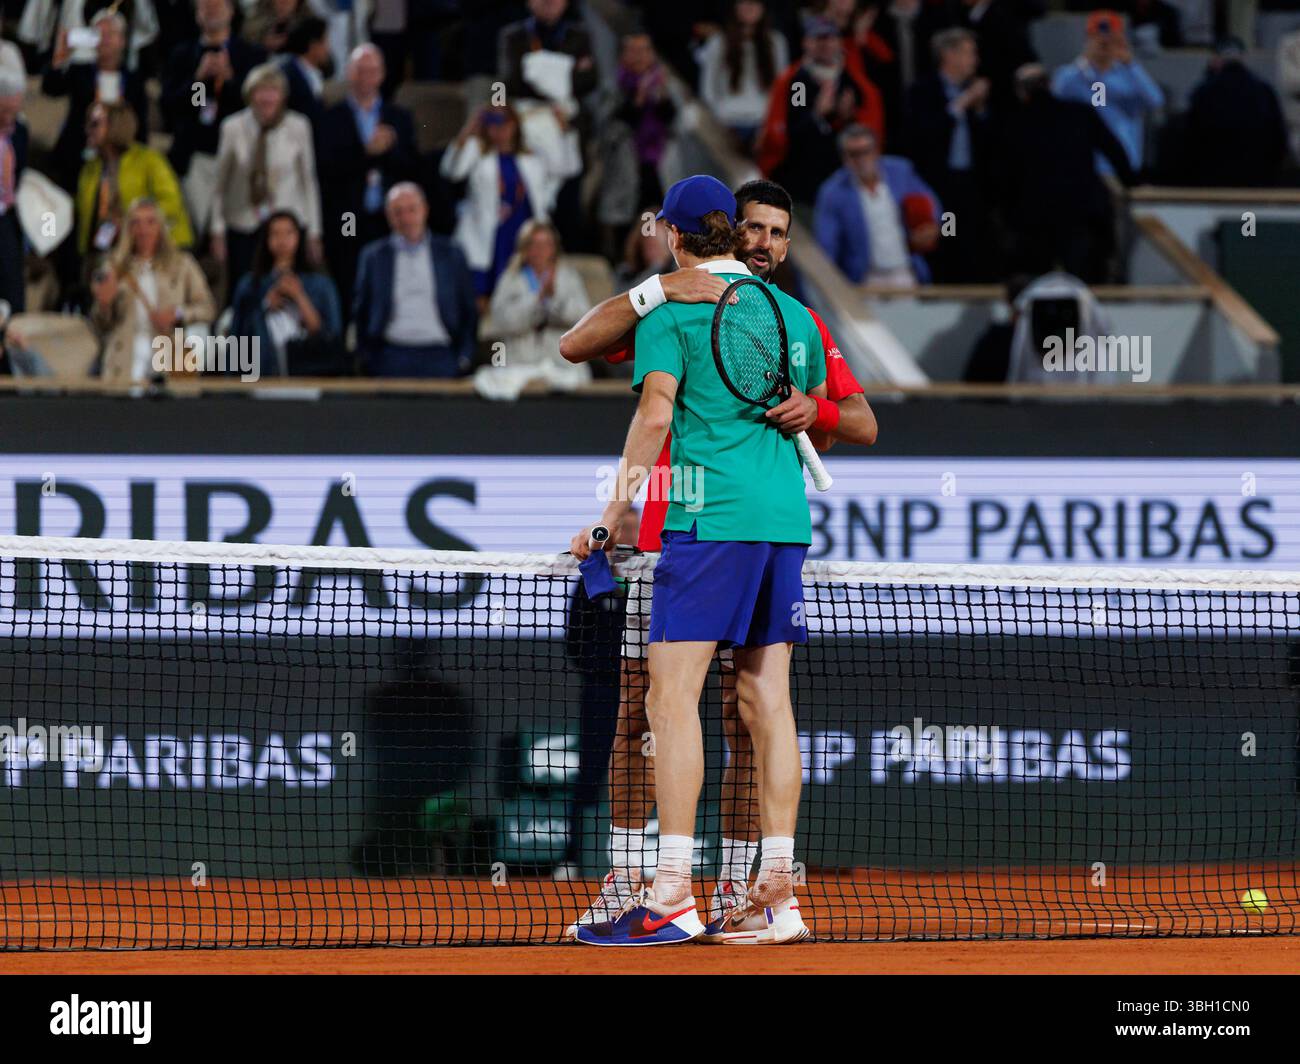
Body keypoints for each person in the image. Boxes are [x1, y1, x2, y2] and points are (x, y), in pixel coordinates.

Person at [559, 177, 877, 944]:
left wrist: (615, 510)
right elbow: (825, 433)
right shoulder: (791, 315)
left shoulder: (676, 310)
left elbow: (652, 407)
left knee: (668, 701)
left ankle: (669, 892)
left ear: (671, 231)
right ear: (733, 232)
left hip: (708, 521)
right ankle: (776, 895)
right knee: (769, 702)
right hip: (784, 525)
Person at [1001, 63, 1133, 283]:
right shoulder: (1080, 113)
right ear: (1050, 85)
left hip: (1034, 219)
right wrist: (1131, 182)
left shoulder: (1013, 122)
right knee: (1085, 282)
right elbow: (1115, 151)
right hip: (1082, 214)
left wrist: (1008, 213)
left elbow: (1004, 175)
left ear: (1021, 92)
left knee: (1037, 285)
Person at [317, 43, 417, 322]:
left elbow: (412, 168)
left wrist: (391, 148)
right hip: (347, 216)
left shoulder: (400, 118)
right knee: (350, 284)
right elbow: (327, 169)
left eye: (372, 71)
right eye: (360, 70)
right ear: (349, 73)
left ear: (382, 75)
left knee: (389, 282)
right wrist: (367, 154)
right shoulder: (330, 118)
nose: (366, 77)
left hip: (387, 218)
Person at [210, 61, 323, 294]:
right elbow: (219, 184)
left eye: (273, 91)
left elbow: (308, 181)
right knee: (244, 290)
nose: (267, 98)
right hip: (243, 223)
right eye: (261, 91)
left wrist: (314, 231)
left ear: (282, 96)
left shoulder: (298, 126)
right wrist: (217, 230)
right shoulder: (232, 127)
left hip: (287, 225)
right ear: (250, 95)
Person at [441, 104, 570, 300]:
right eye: (493, 124)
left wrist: (561, 131)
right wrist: (468, 131)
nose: (499, 130)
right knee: (481, 297)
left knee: (525, 295)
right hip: (487, 234)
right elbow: (451, 170)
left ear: (515, 125)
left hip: (522, 234)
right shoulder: (477, 151)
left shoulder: (531, 156)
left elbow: (565, 169)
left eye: (505, 124)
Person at [161, 0, 266, 236]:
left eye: (218, 5)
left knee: (236, 233)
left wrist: (229, 80)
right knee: (199, 231)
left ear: (231, 11)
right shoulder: (182, 55)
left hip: (240, 157)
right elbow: (169, 106)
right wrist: (198, 80)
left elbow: (259, 109)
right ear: (197, 15)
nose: (212, 9)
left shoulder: (251, 55)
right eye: (205, 6)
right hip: (197, 158)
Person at [353, 182, 478, 378]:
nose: (406, 218)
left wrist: (464, 358)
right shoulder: (373, 256)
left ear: (425, 210)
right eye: (398, 212)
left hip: (441, 352)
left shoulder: (452, 253)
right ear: (388, 215)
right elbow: (361, 311)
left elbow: (469, 310)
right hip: (390, 354)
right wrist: (366, 357)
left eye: (412, 209)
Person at [757, 13, 885, 203]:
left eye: (831, 38)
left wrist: (848, 117)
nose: (825, 44)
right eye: (819, 38)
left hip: (844, 175)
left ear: (839, 43)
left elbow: (869, 129)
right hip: (802, 178)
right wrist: (817, 114)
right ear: (806, 43)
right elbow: (791, 132)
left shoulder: (853, 82)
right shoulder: (798, 83)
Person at [89, 197, 217, 385]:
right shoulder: (113, 268)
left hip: (170, 353)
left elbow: (207, 307)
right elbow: (100, 325)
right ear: (128, 229)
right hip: (127, 355)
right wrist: (104, 305)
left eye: (150, 222)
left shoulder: (182, 264)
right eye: (136, 223)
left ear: (160, 227)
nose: (143, 230)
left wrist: (178, 313)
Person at [902, 27, 993, 282]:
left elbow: (989, 141)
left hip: (971, 180)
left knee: (971, 238)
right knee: (945, 235)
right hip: (938, 181)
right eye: (968, 53)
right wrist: (962, 104)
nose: (975, 60)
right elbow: (923, 134)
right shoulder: (924, 90)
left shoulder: (975, 93)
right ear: (949, 55)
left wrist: (980, 109)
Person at [814, 122, 941, 286]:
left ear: (877, 151)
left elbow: (931, 202)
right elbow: (826, 245)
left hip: (904, 271)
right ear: (844, 157)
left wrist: (931, 223)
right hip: (865, 279)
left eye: (866, 152)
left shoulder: (901, 171)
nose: (860, 159)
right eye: (853, 154)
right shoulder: (832, 192)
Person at [41, 11, 150, 189]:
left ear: (122, 40)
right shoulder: (79, 71)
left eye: (110, 34)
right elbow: (50, 88)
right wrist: (60, 57)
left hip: (120, 157)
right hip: (79, 154)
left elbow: (141, 123)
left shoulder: (134, 80)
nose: (104, 40)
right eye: (99, 34)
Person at [228, 209, 342, 376]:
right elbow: (238, 338)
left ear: (298, 238)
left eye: (288, 233)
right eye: (275, 234)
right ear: (266, 240)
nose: (282, 241)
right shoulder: (249, 285)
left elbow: (330, 337)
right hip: (262, 373)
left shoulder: (321, 284)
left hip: (310, 374)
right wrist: (265, 305)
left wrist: (299, 296)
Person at [1051, 11, 1162, 178]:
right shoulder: (1071, 76)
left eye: (1111, 39)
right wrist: (1085, 64)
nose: (1105, 43)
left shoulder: (1129, 75)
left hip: (1123, 163)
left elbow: (1156, 100)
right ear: (1087, 39)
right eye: (1098, 38)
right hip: (1083, 164)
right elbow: (1052, 105)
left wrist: (1131, 64)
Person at [76, 101, 192, 259]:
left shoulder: (149, 160)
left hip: (160, 249)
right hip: (112, 250)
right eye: (88, 123)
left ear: (115, 126)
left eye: (95, 124)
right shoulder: (91, 167)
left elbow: (171, 204)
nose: (88, 129)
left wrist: (131, 223)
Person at [1185, 40, 1288, 189]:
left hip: (1212, 180)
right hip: (1257, 179)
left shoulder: (1204, 92)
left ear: (1216, 60)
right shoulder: (1264, 91)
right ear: (1242, 58)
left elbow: (1191, 140)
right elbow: (1278, 139)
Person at [696, 0, 790, 148]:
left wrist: (773, 121)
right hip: (728, 121)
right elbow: (707, 89)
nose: (750, 6)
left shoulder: (777, 42)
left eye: (755, 2)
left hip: (763, 123)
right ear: (735, 6)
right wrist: (718, 119)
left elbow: (782, 87)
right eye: (744, 2)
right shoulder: (718, 42)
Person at [0, 70, 28, 315]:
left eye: (15, 111)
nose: (12, 117)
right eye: (6, 111)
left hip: (7, 219)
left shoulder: (19, 132)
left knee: (12, 295)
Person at [278, 13, 331, 127]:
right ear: (313, 45)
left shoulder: (316, 73)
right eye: (325, 41)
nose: (328, 47)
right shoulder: (287, 75)